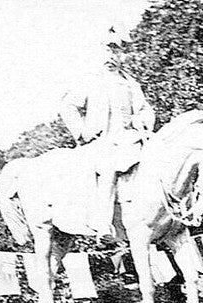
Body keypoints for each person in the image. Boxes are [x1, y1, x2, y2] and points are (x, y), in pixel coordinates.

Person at [58, 63, 155, 236]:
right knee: (108, 167)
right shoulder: (91, 80)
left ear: (122, 54)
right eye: (108, 50)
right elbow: (68, 106)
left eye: (116, 50)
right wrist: (82, 131)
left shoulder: (130, 83)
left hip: (130, 139)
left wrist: (141, 120)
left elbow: (145, 110)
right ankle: (102, 224)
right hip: (101, 141)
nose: (111, 56)